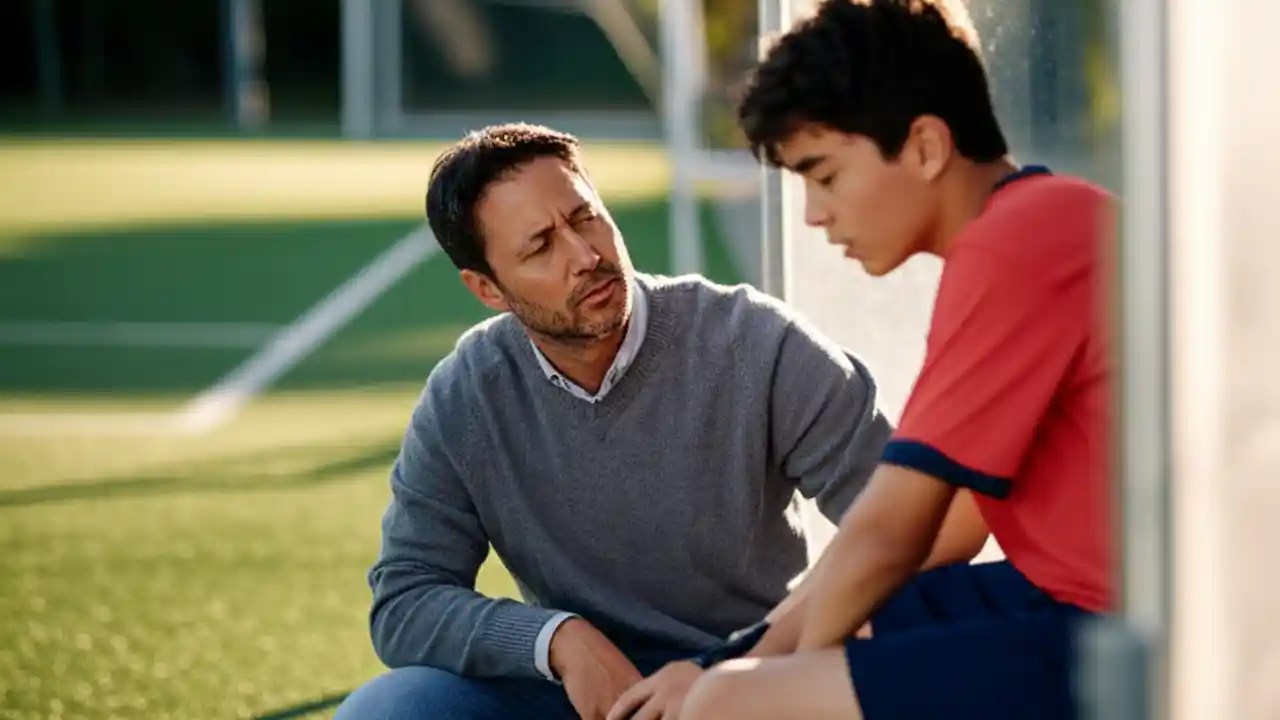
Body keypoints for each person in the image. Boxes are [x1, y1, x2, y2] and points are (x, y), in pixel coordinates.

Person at [333, 123, 982, 720]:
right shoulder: (468, 394)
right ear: (488, 290)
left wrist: (745, 666)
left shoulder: (758, 344)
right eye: (540, 246)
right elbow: (406, 600)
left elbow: (913, 530)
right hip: (584, 697)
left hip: (755, 681)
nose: (585, 254)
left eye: (587, 218)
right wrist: (557, 639)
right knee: (390, 710)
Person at [673, 1, 1115, 718]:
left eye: (826, 175)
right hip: (1070, 602)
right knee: (773, 662)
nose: (814, 215)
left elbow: (891, 529)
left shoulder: (1022, 245)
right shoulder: (1032, 227)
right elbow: (945, 528)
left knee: (726, 707)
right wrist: (744, 651)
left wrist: (775, 678)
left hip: (1120, 630)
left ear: (924, 147)